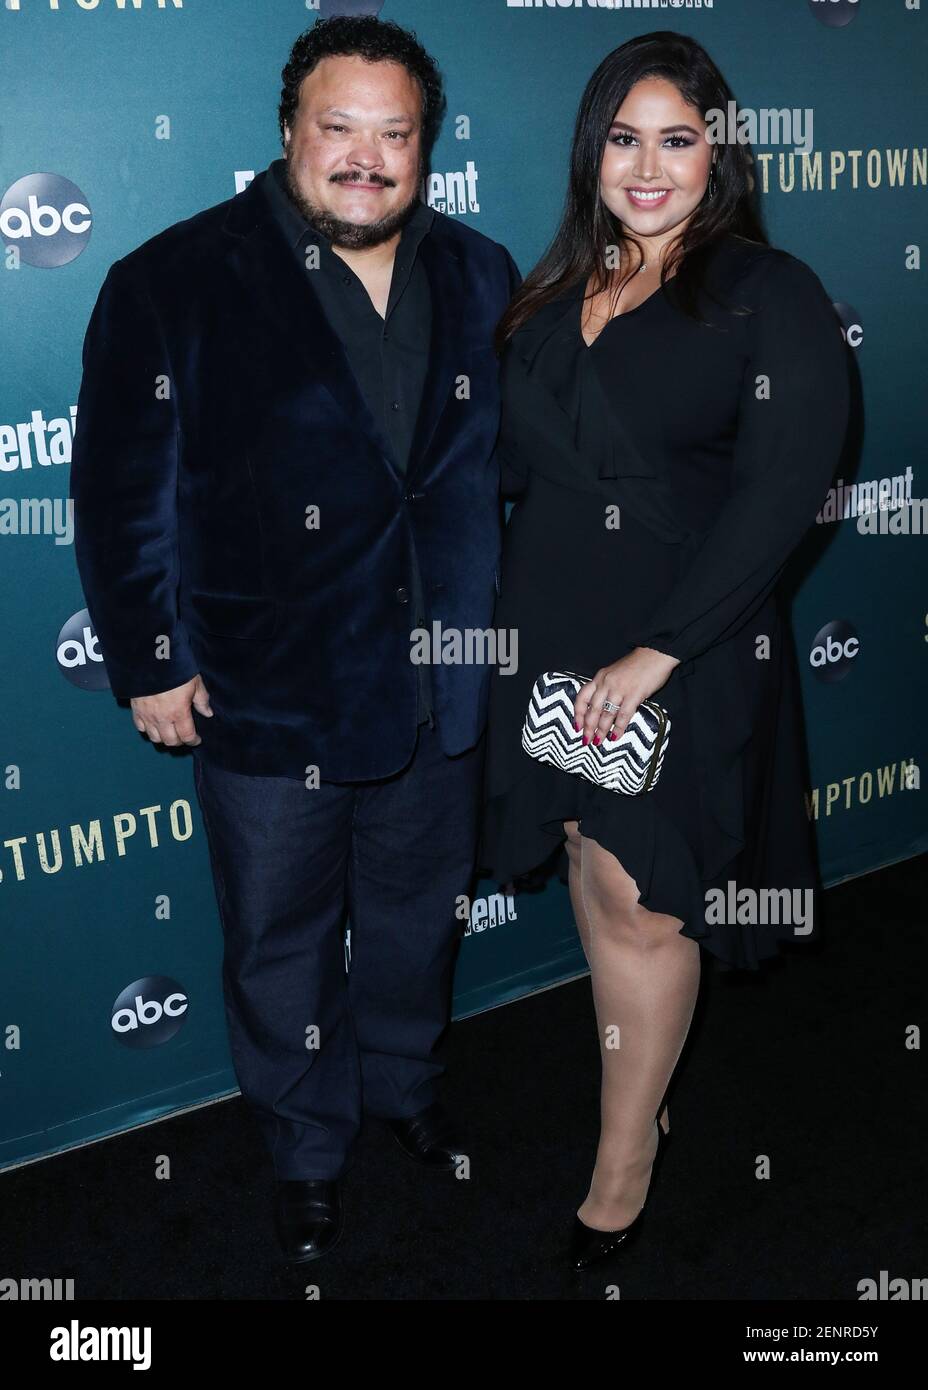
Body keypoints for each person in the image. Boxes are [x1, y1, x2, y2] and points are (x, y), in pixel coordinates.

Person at [71, 15, 519, 1264]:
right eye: (340, 127)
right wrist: (150, 657)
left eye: (395, 133)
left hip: (438, 690)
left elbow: (504, 477)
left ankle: (405, 1089)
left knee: (420, 918)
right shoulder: (174, 278)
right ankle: (305, 1146)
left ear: (425, 145)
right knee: (279, 941)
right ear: (287, 132)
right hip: (272, 697)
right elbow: (118, 491)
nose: (366, 157)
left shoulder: (483, 274)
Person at [478, 30, 851, 1271]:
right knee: (591, 866)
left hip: (681, 645)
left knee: (644, 902)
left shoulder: (765, 291)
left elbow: (785, 489)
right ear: (592, 150)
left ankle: (623, 1161)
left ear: (719, 152)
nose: (648, 166)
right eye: (624, 138)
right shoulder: (547, 289)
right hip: (553, 634)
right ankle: (641, 1085)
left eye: (677, 139)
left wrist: (661, 650)